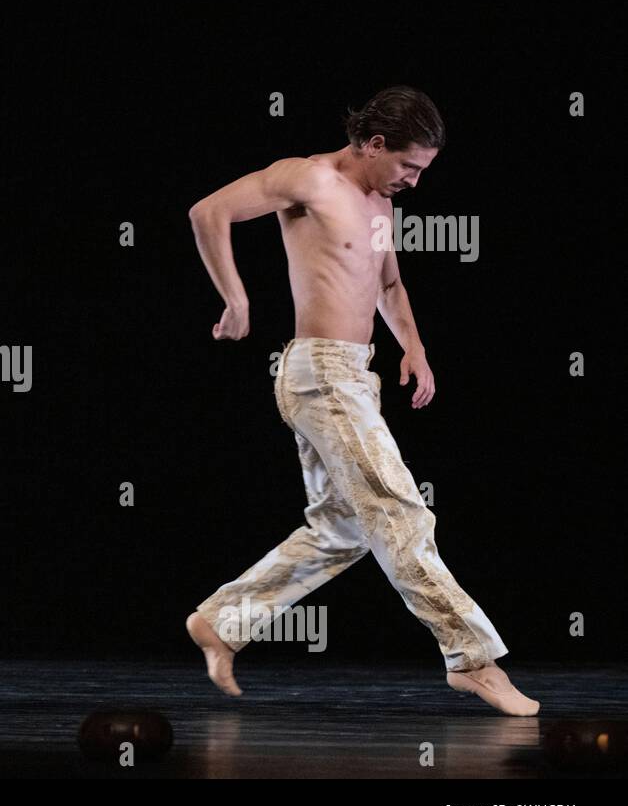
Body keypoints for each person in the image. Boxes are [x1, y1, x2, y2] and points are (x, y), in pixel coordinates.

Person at [182, 86, 540, 716]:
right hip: (319, 373)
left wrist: (415, 348)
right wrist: (237, 300)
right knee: (401, 511)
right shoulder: (309, 179)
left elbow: (389, 280)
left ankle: (224, 619)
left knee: (344, 526)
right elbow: (207, 212)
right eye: (409, 166)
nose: (414, 181)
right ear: (375, 144)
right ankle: (474, 660)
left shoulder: (380, 203)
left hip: (355, 373)